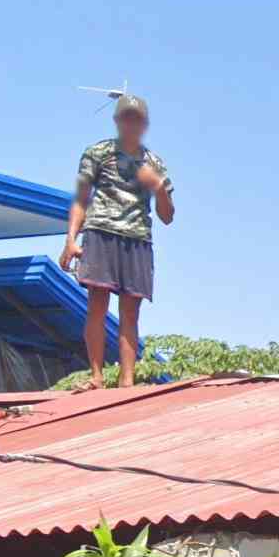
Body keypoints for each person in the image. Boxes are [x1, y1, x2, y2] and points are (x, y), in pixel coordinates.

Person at [61, 93, 175, 389]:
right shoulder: (97, 153)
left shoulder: (155, 163)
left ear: (144, 124)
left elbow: (167, 216)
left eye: (136, 119)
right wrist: (71, 239)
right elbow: (81, 199)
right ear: (117, 121)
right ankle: (96, 376)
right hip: (100, 232)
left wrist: (159, 188)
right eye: (126, 118)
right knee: (97, 305)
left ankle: (127, 380)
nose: (131, 124)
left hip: (137, 238)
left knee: (130, 313)